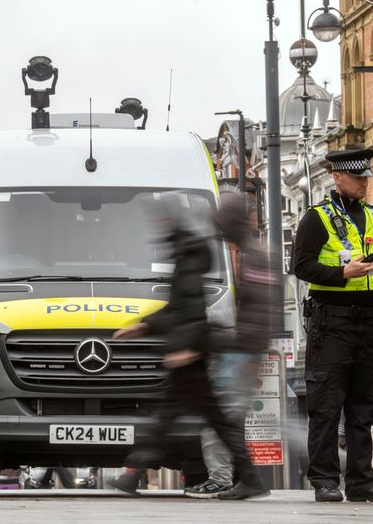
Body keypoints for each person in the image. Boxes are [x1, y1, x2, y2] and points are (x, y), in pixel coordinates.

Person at [111, 193, 269, 500]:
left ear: (170, 221)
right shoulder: (185, 255)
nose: (155, 224)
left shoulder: (192, 257)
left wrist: (192, 349)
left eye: (159, 218)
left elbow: (193, 312)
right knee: (208, 419)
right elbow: (177, 309)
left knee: (192, 418)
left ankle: (133, 473)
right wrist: (144, 326)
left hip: (192, 354)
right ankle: (249, 477)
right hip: (192, 351)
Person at [293, 147, 373, 502]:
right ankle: (325, 480)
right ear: (338, 177)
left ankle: (362, 481)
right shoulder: (317, 218)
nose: (365, 184)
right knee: (326, 406)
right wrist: (343, 273)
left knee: (362, 406)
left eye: (367, 178)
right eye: (358, 178)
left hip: (370, 321)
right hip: (332, 322)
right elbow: (302, 266)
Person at [184, 193, 276, 499]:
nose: (221, 235)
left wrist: (235, 343)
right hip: (242, 349)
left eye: (223, 227)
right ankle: (243, 478)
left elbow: (261, 308)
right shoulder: (250, 252)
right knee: (226, 418)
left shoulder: (254, 255)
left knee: (220, 418)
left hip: (242, 352)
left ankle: (225, 478)